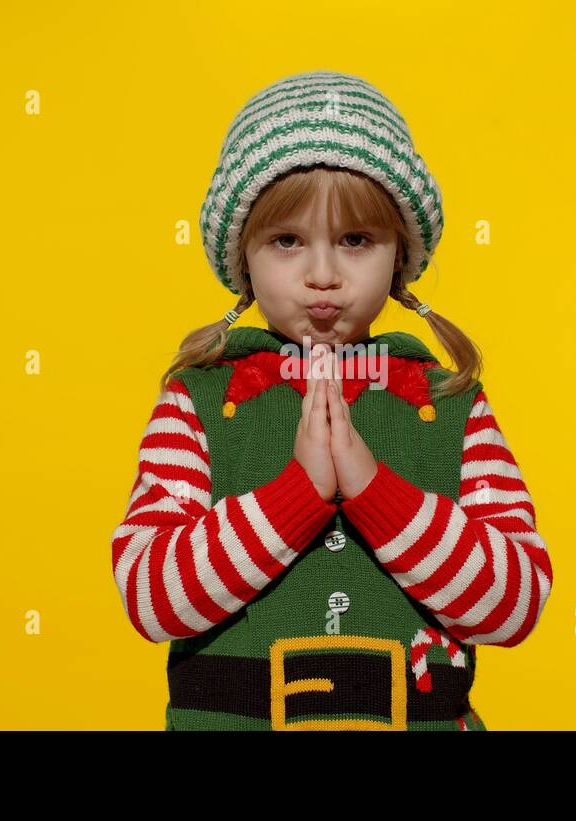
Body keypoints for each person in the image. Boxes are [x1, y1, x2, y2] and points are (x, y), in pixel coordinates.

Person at [110, 70, 553, 730]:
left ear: (400, 251)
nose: (323, 274)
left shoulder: (450, 403)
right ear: (245, 254)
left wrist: (375, 492)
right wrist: (298, 493)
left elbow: (515, 604)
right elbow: (151, 595)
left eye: (355, 240)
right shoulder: (197, 399)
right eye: (287, 240)